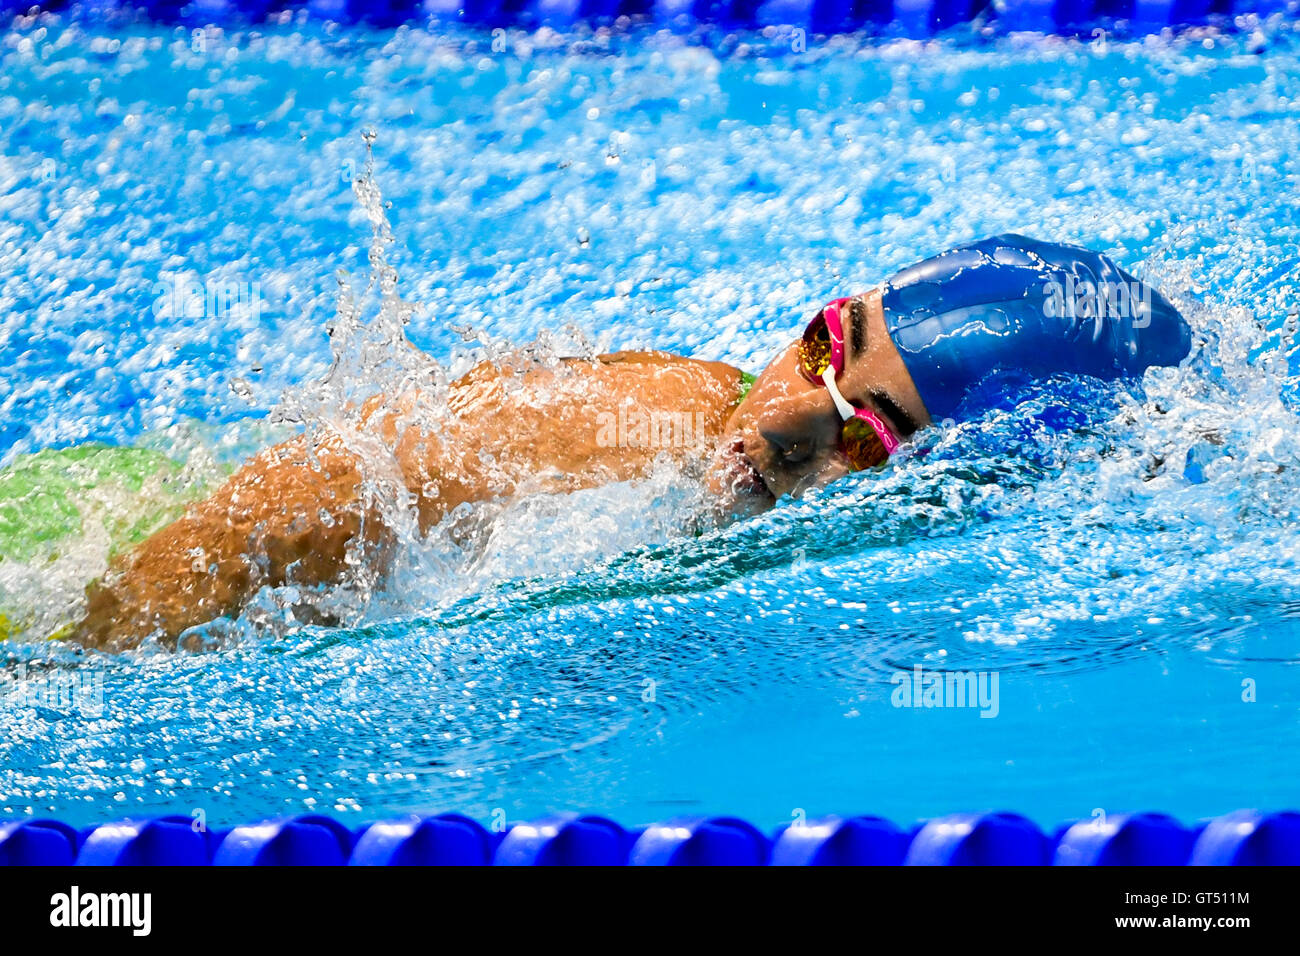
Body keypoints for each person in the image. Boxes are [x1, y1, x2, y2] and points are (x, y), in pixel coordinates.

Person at [68, 234, 1191, 651]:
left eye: (868, 437)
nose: (788, 417)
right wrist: (68, 663)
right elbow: (258, 518)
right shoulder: (623, 441)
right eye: (820, 345)